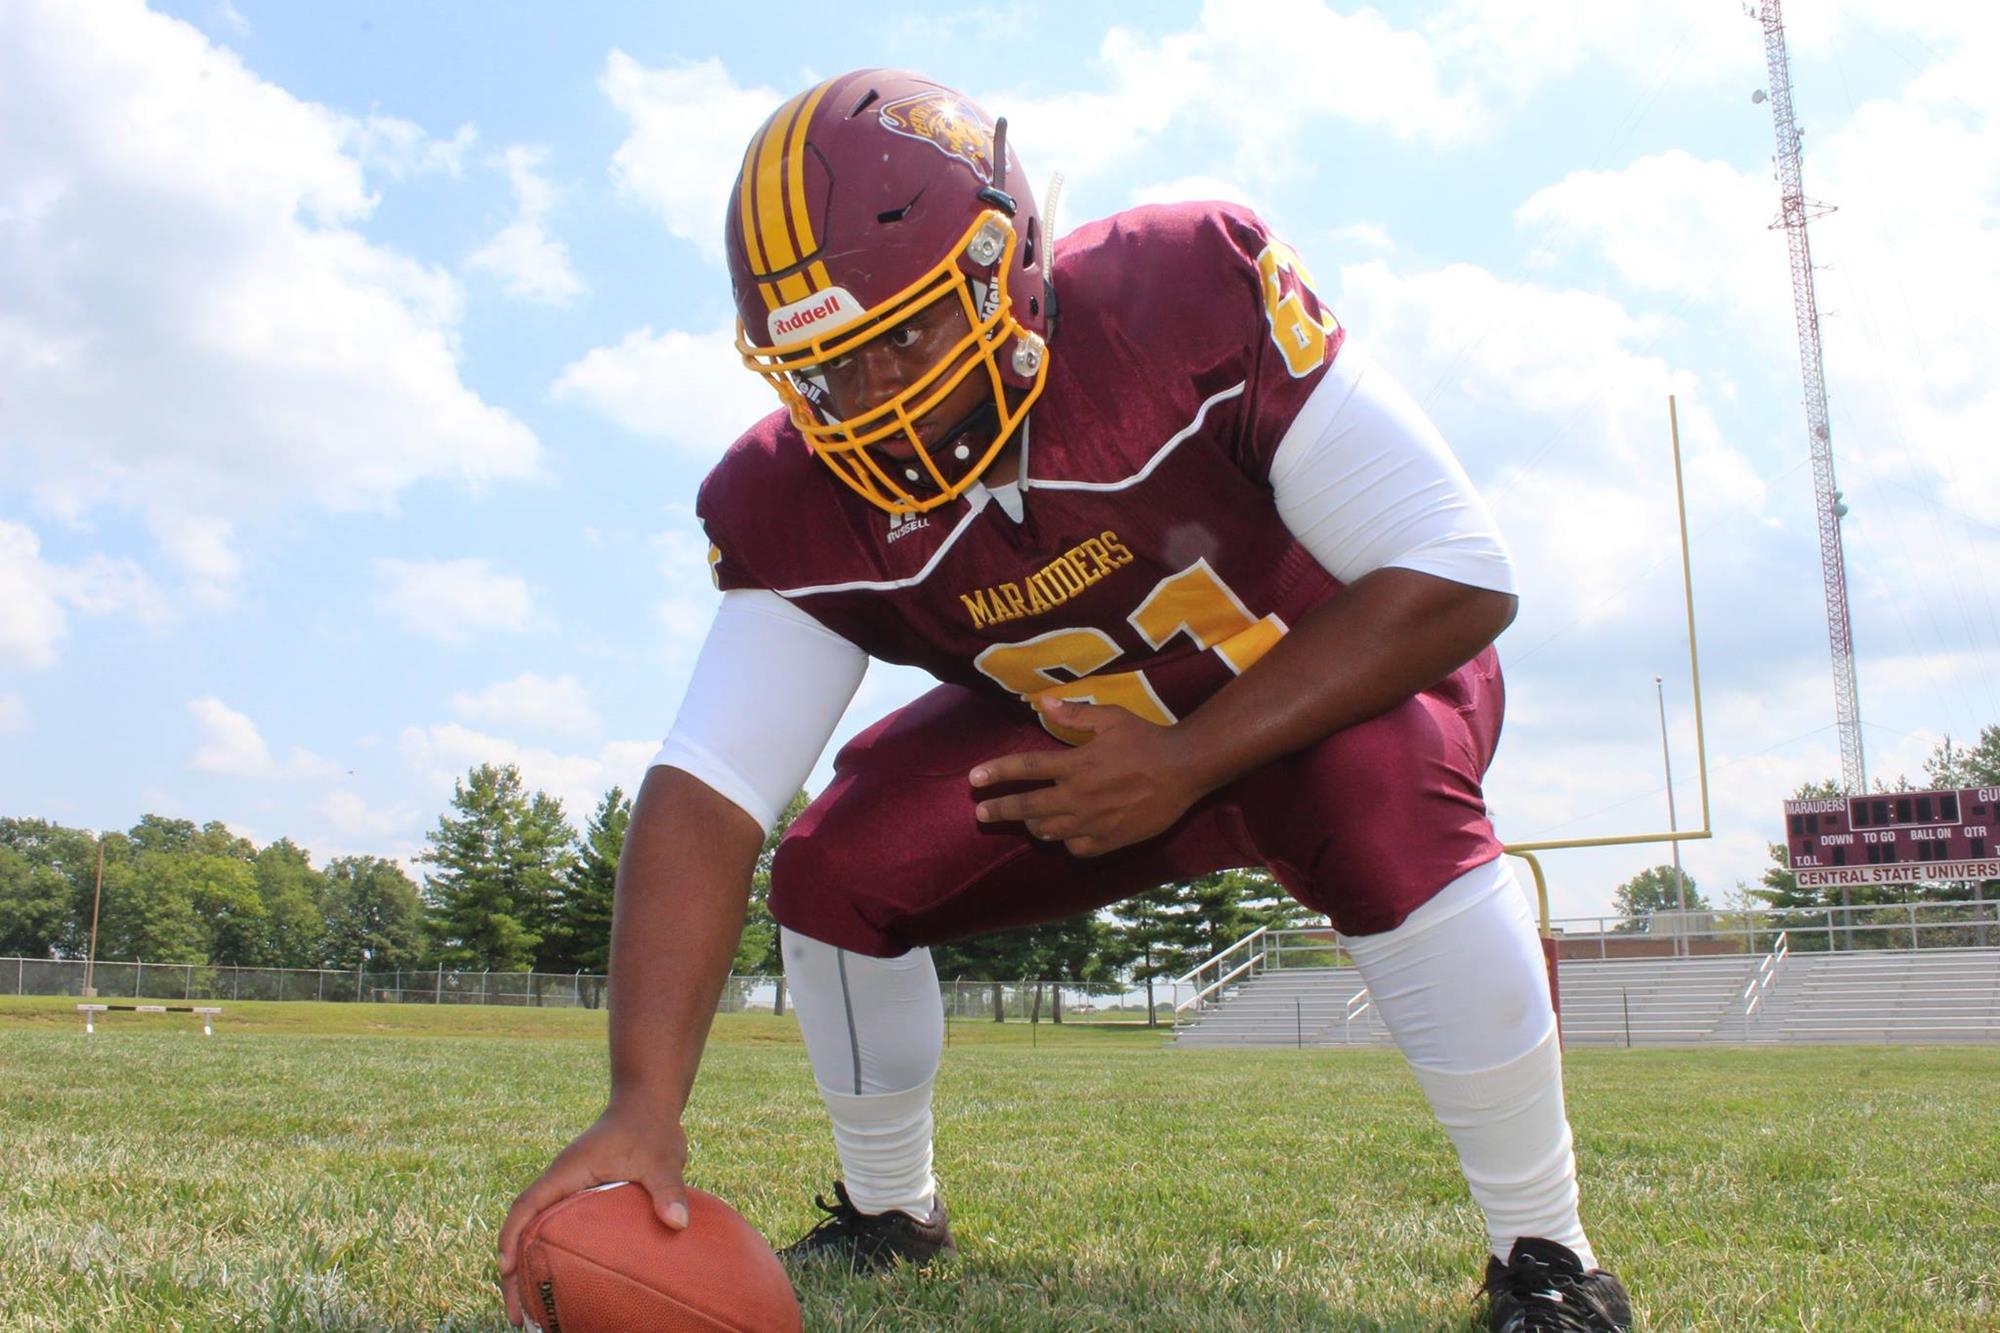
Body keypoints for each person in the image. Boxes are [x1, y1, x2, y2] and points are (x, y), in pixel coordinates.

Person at [498, 68, 1633, 1332]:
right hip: (1089, 752)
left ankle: (1547, 1254)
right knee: (830, 865)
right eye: (824, 368)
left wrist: (1189, 756)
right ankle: (888, 1208)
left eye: (905, 335)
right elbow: (709, 784)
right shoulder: (792, 495)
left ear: (1004, 264)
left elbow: (1455, 575)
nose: (872, 401)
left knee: (1369, 782)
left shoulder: (1180, 293)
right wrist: (642, 1102)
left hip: (1335, 684)